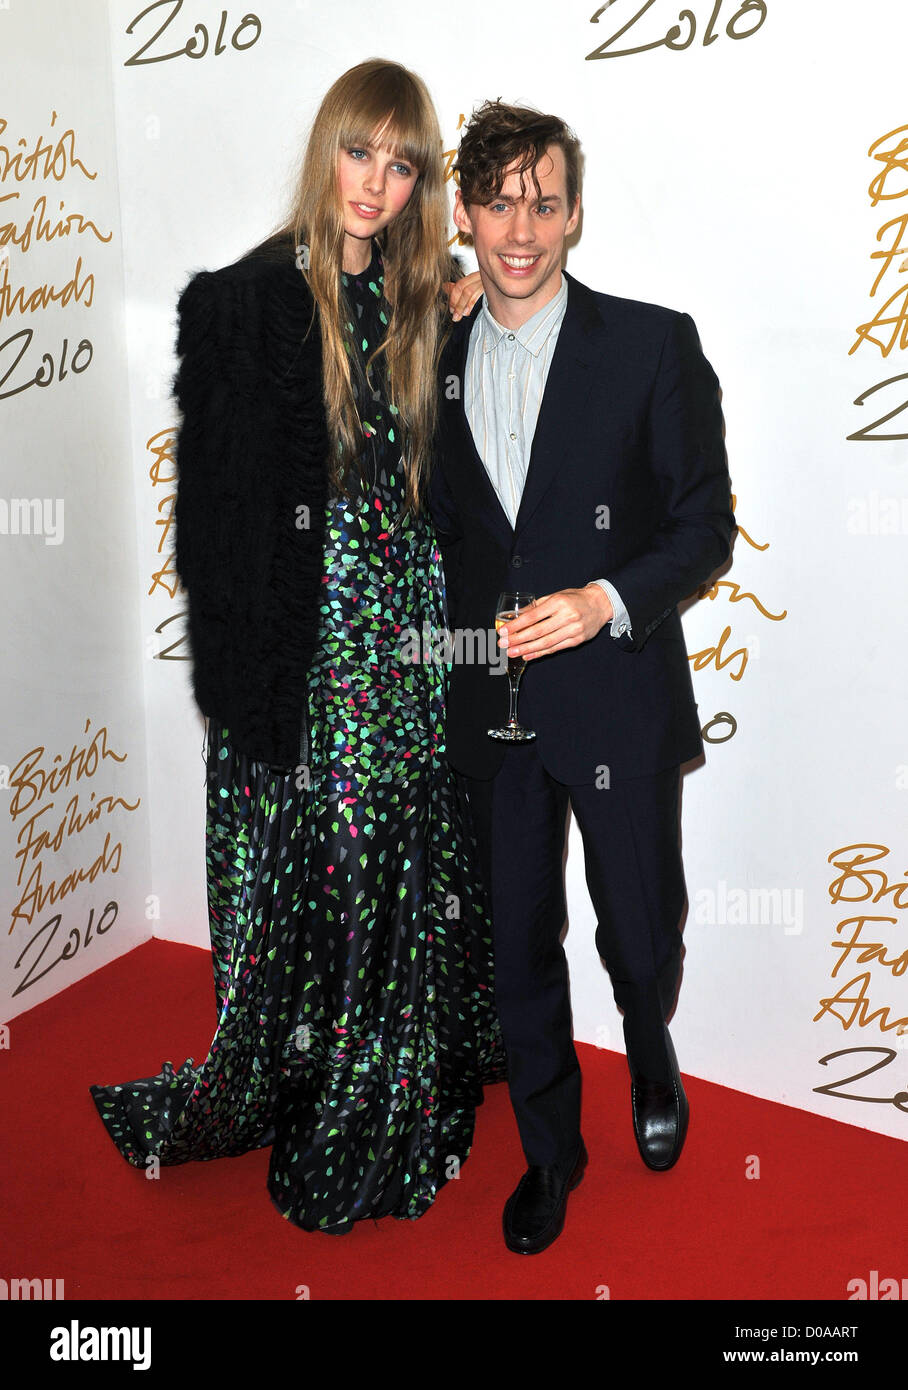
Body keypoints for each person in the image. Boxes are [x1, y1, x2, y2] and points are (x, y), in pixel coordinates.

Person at [89, 59, 504, 1234]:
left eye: (401, 162)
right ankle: (327, 1080)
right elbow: (213, 531)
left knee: (399, 852)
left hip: (410, 630)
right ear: (325, 149)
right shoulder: (245, 301)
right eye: (358, 152)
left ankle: (389, 1069)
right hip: (311, 642)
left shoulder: (425, 299)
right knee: (334, 854)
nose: (374, 183)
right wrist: (249, 692)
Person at [430, 100, 735, 1254]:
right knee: (516, 949)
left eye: (542, 202)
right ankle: (551, 1157)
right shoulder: (434, 353)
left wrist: (605, 600)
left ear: (573, 214)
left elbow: (705, 526)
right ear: (464, 214)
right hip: (488, 714)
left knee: (638, 932)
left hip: (614, 695)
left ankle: (649, 1048)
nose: (521, 228)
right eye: (497, 201)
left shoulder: (651, 344)